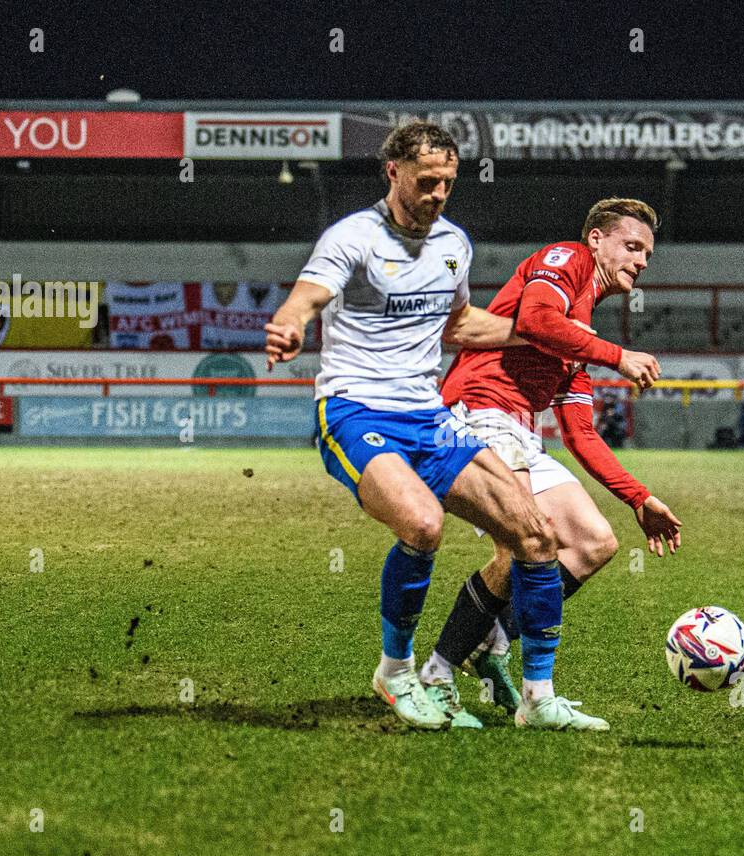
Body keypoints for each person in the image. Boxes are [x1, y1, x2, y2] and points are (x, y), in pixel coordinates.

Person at [264, 122, 635, 730]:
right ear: (394, 173)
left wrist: (540, 334)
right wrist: (289, 322)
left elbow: (461, 325)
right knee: (423, 523)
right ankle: (398, 670)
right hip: (356, 410)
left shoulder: (453, 244)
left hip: (430, 417)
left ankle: (538, 700)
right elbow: (307, 296)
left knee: (535, 535)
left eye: (448, 183)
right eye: (427, 181)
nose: (438, 193)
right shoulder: (353, 237)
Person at [423, 198, 680, 728]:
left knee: (592, 542)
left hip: (518, 429)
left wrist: (640, 498)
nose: (642, 260)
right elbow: (537, 319)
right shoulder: (567, 259)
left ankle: (489, 639)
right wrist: (617, 355)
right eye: (632, 246)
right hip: (478, 410)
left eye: (648, 253)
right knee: (527, 539)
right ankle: (441, 675)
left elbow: (581, 434)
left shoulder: (579, 332)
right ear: (596, 240)